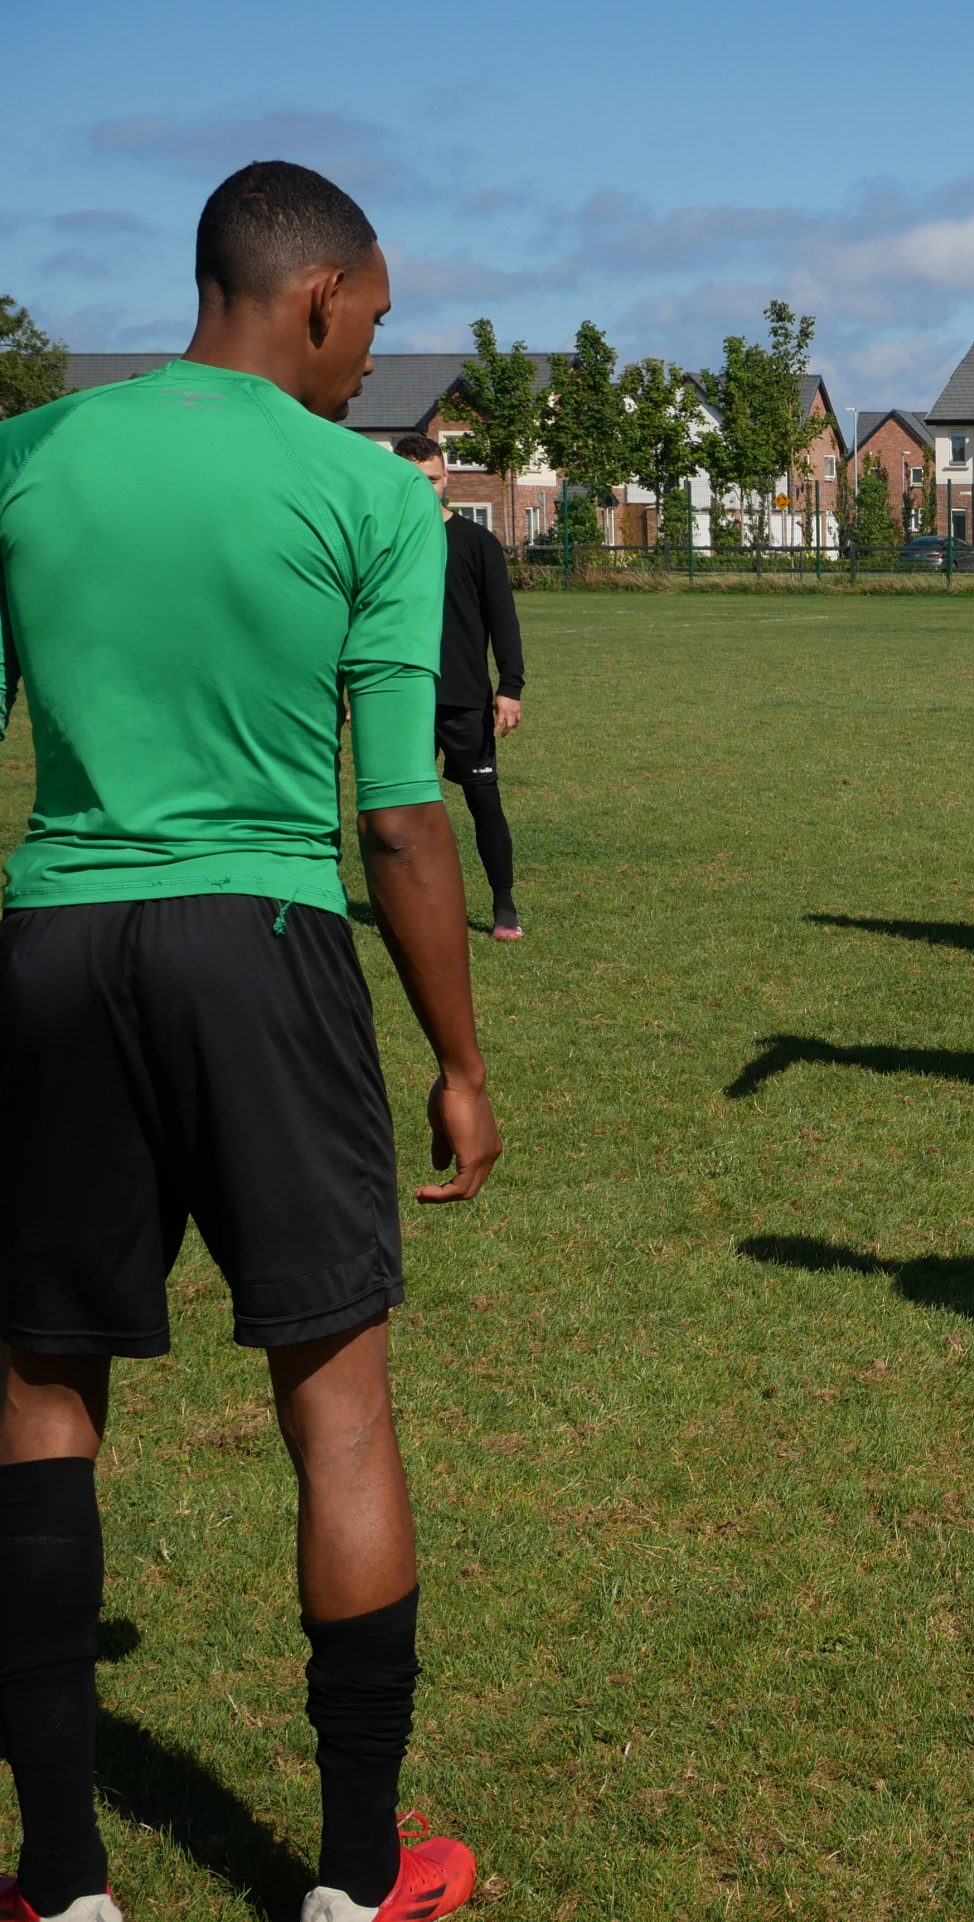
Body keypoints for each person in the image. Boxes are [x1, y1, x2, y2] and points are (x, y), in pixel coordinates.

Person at [0, 161, 498, 1922]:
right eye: (370, 320)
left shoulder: (27, 460)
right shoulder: (367, 502)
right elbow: (405, 824)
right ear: (308, 297)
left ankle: (62, 1888)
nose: (375, 356)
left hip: (51, 946)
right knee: (338, 1412)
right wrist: (456, 1054)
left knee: (42, 1395)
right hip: (267, 948)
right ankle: (355, 1888)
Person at [391, 434, 528, 940]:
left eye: (430, 479)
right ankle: (408, 908)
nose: (422, 489)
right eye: (410, 480)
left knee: (483, 802)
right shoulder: (381, 539)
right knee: (400, 810)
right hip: (399, 694)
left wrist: (509, 687)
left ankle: (503, 906)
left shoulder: (476, 543)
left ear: (445, 479)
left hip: (463, 697)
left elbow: (503, 620)